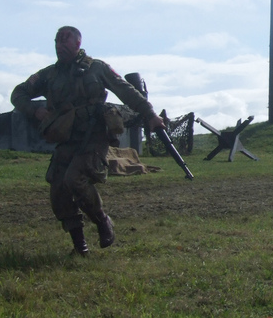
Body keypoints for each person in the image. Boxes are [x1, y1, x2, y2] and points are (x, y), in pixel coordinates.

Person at [11, 26, 166, 256]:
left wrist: (151, 114)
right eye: (56, 42)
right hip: (66, 138)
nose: (59, 46)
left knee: (75, 179)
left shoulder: (96, 68)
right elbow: (18, 94)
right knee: (58, 191)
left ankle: (103, 221)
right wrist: (35, 112)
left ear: (78, 44)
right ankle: (80, 246)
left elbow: (126, 91)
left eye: (65, 42)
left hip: (94, 136)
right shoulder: (49, 75)